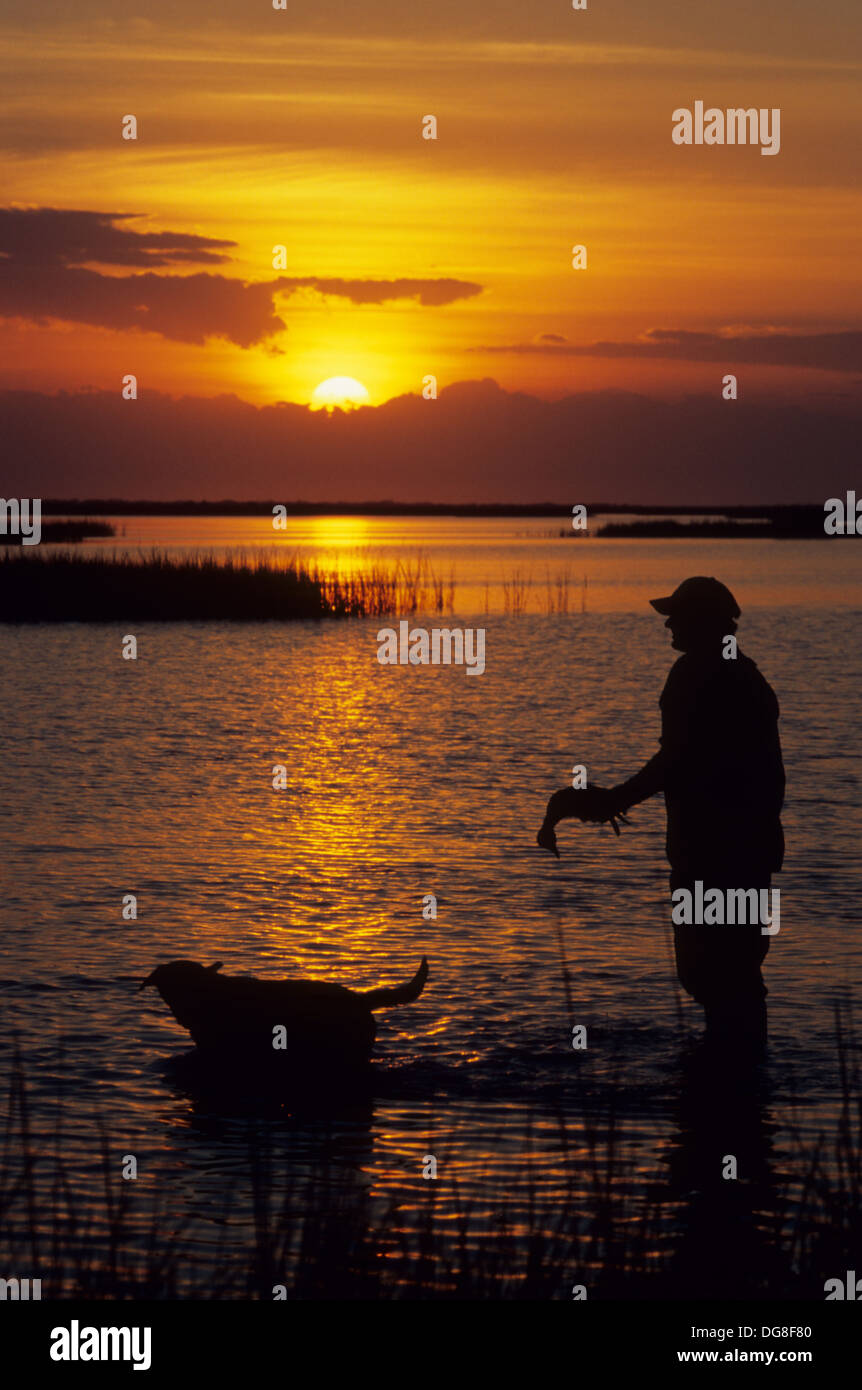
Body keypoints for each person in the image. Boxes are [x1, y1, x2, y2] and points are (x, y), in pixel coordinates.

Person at [540, 577, 785, 1049]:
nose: (669, 623)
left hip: (710, 855)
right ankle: (742, 1084)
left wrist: (612, 801)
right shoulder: (747, 674)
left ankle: (726, 1084)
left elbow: (675, 761)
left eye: (678, 615)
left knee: (709, 972)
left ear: (705, 621)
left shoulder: (694, 674)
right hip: (751, 852)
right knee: (736, 971)